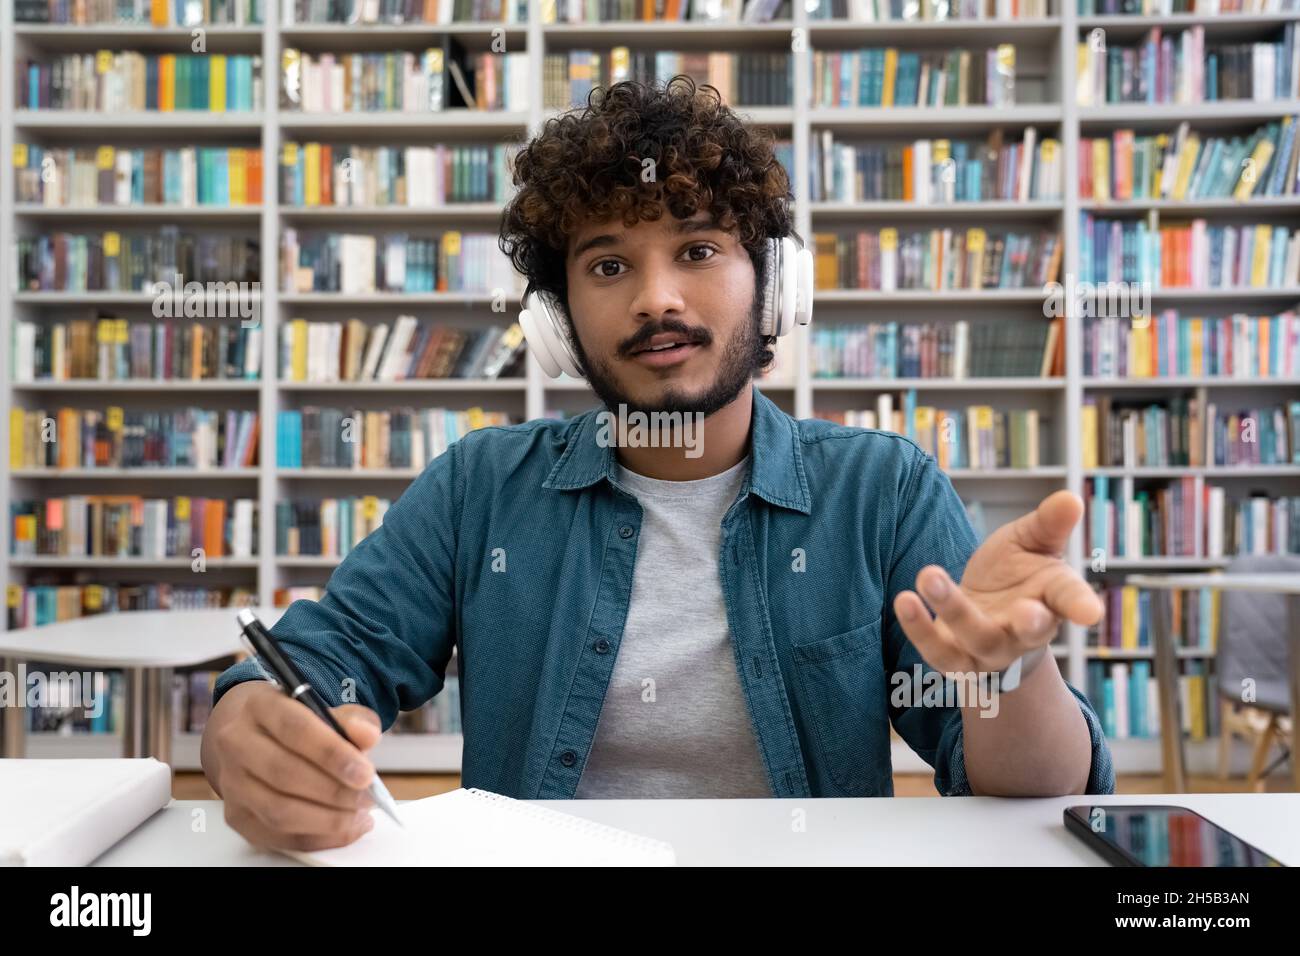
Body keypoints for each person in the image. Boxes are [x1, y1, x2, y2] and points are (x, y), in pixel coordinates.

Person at [201, 76, 1113, 852]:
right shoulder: (477, 489)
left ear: (775, 287)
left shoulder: (881, 491)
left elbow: (1027, 796)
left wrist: (1013, 674)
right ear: (557, 323)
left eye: (700, 249)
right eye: (607, 267)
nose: (658, 299)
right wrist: (247, 732)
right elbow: (327, 657)